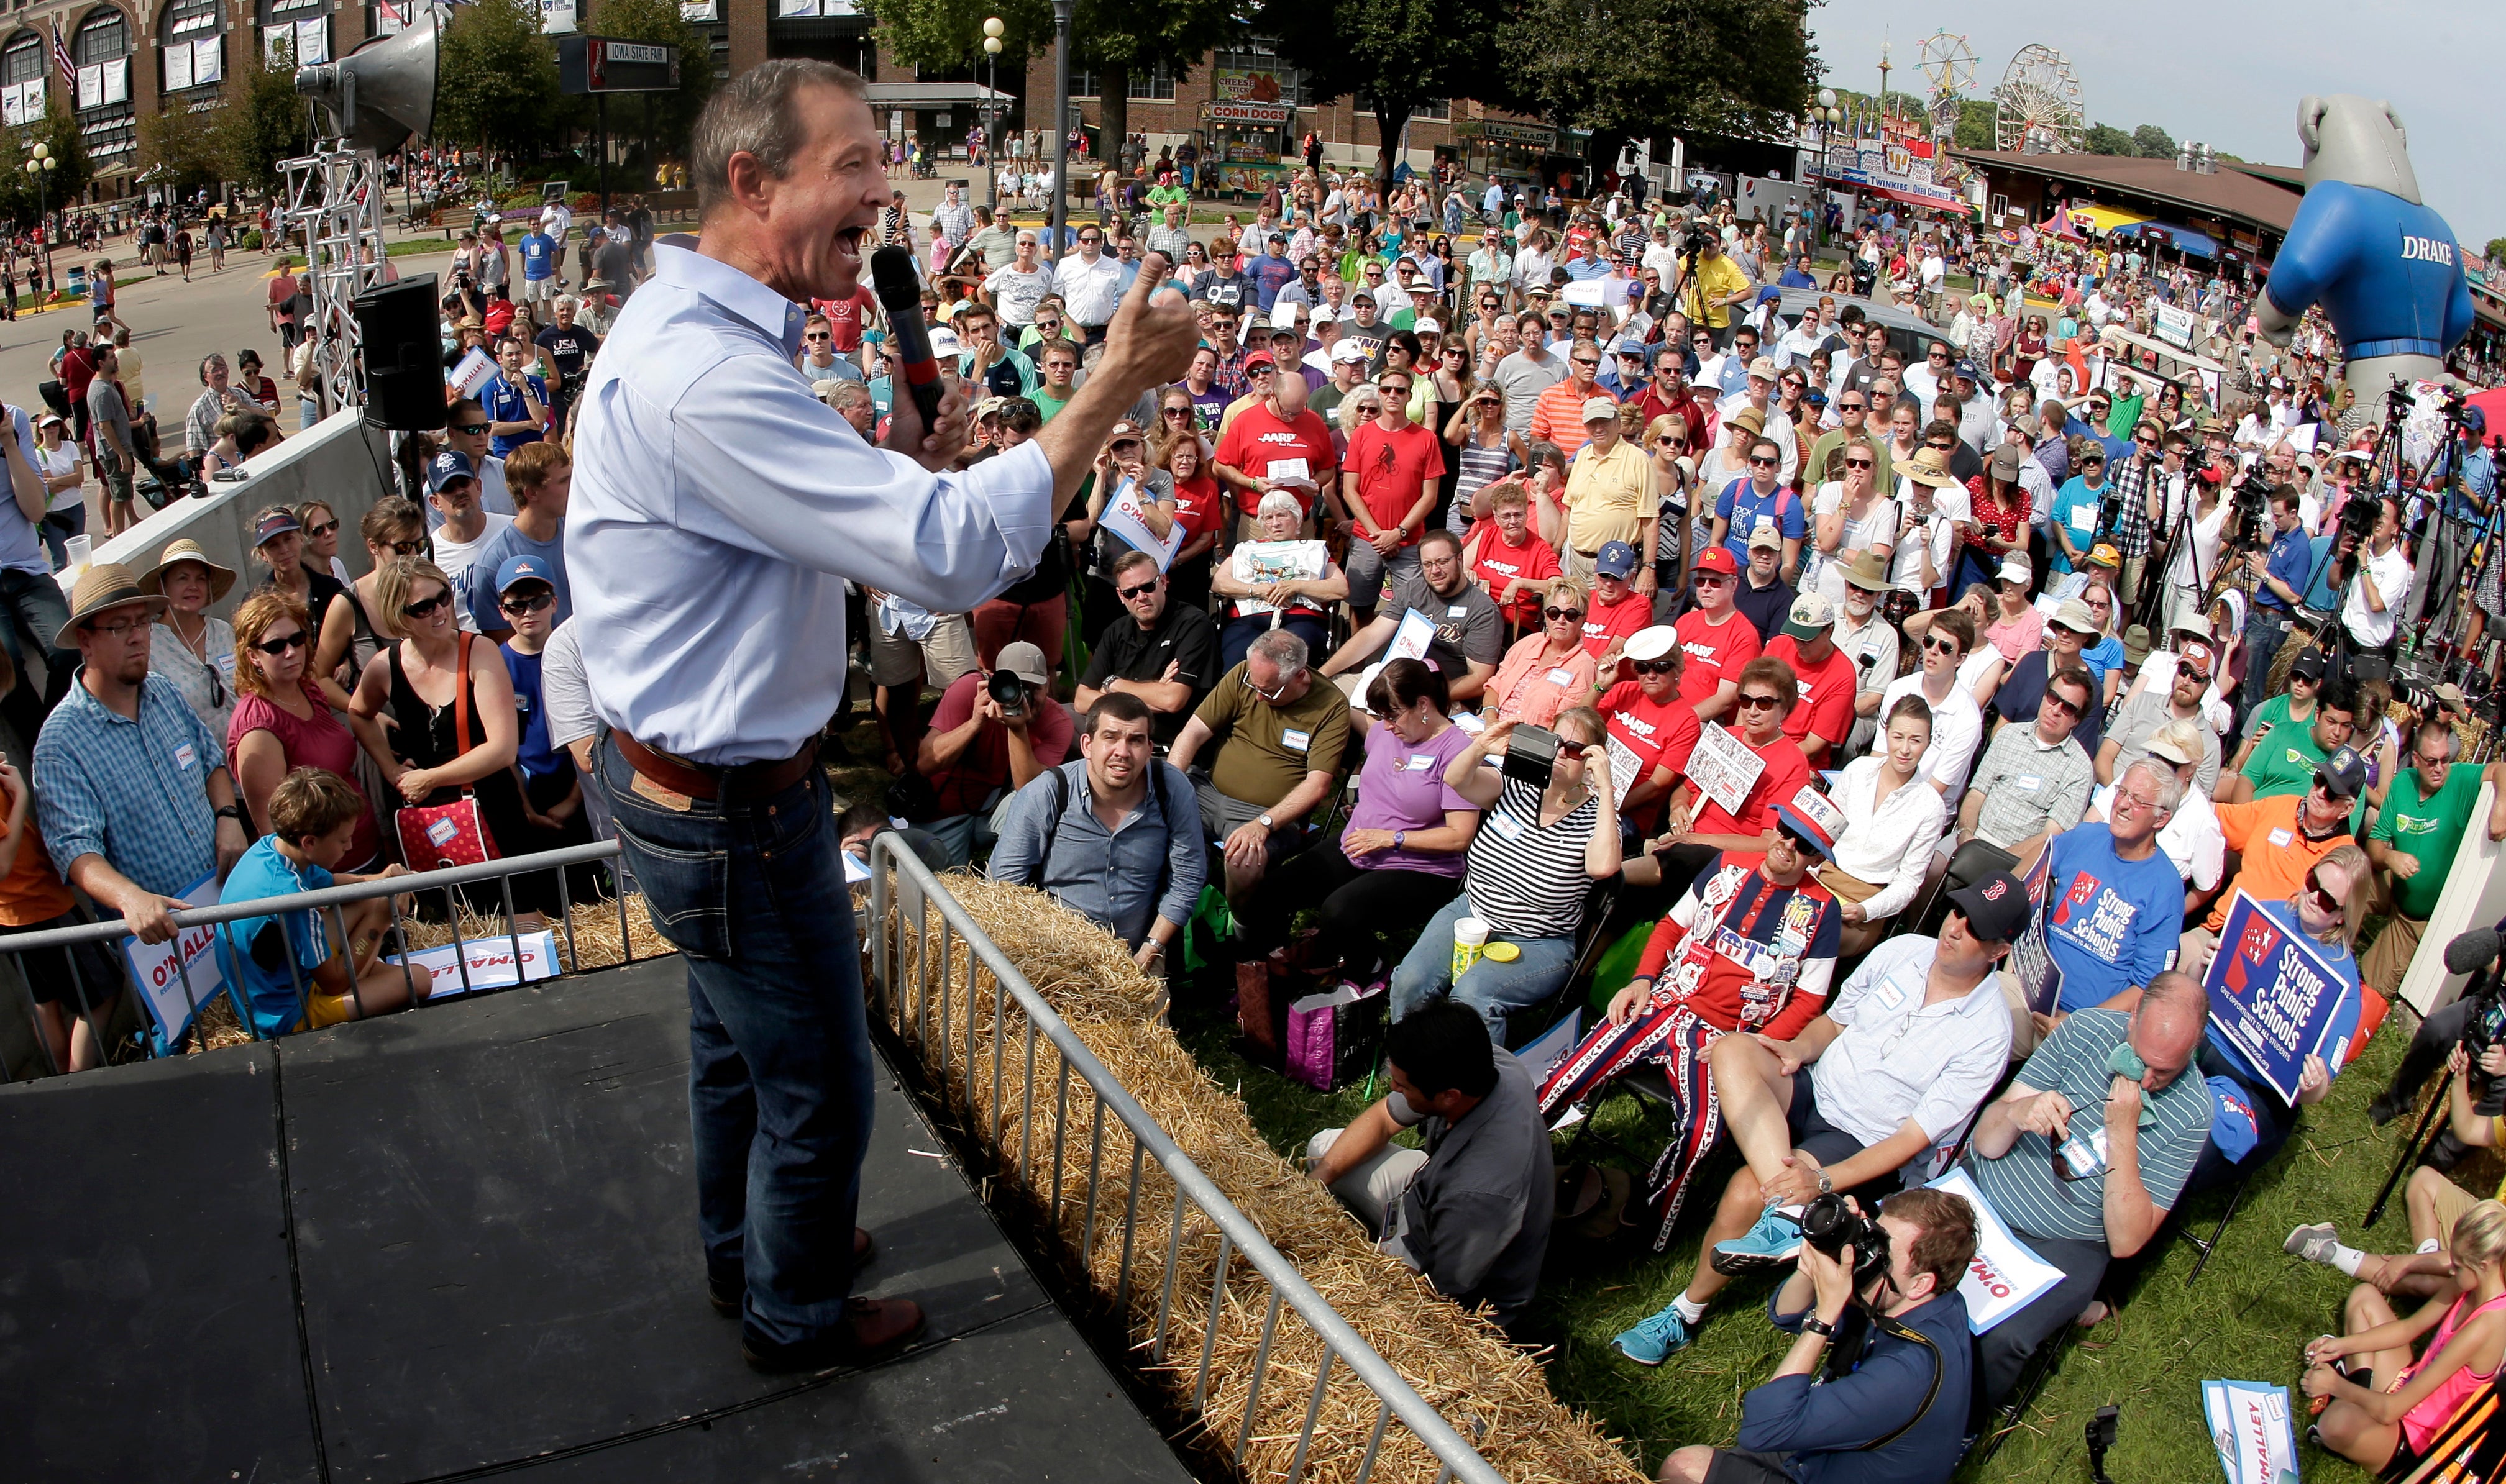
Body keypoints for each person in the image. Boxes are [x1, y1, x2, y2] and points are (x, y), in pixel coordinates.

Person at [1614, 876, 2019, 1373]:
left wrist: (1822, 1180)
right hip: (1815, 1084)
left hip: (1861, 1138)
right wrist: (1795, 1049)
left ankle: (1683, 1311)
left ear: (1999, 950)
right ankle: (1789, 1212)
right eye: (1958, 911)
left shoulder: (1988, 1033)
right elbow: (1835, 1022)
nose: (1955, 927)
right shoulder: (1904, 950)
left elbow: (1911, 1139)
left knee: (1746, 1192)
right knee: (1734, 1047)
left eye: (1976, 927)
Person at [1540, 790, 1842, 1249]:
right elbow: (1670, 927)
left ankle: (1641, 1221)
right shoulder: (1727, 865)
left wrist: (1749, 1049)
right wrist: (1642, 979)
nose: (1788, 846)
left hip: (1723, 1040)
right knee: (1567, 1075)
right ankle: (1505, 1149)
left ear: (1816, 857)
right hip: (1664, 1001)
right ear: (1775, 825)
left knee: (1702, 1136)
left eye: (1805, 845)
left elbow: (1808, 1002)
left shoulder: (1823, 910)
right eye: (1786, 831)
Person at [1964, 971, 2212, 1406]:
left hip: (2066, 1240)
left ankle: (1960, 1420)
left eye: (2164, 1071)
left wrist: (2123, 1134)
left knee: (2004, 1336)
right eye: (2141, 1059)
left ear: (2194, 1050)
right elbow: (1985, 1141)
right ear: (2132, 1017)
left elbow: (2126, 1240)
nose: (2147, 1078)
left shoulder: (2194, 1110)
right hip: (1990, 1187)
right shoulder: (2084, 1030)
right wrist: (2020, 1111)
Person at [1652, 1185, 1979, 1484]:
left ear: (1922, 1284)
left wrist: (1824, 1317)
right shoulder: (1926, 1300)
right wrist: (1811, 1263)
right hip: (1835, 1451)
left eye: (1881, 1252)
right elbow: (1786, 1315)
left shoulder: (1907, 1371)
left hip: (1829, 1470)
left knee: (1684, 1468)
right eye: (1872, 1235)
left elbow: (1764, 1428)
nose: (1867, 1254)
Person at [1302, 999, 1555, 1335]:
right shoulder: (1486, 1063)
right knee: (1323, 1150)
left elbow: (1439, 1291)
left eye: (1403, 1086)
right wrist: (1313, 1185)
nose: (1393, 1088)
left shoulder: (1479, 1194)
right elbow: (1383, 1119)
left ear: (1449, 1096)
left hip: (1453, 1277)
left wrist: (1350, 1271)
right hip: (1433, 1192)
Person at [32, 564, 249, 946]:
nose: (138, 637)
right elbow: (75, 849)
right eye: (119, 627)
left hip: (221, 903)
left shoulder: (163, 693)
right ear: (85, 641)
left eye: (142, 623)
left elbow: (210, 761)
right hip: (159, 943)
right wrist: (129, 897)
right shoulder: (60, 744)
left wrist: (228, 816)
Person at [1238, 659, 1482, 980]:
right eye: (1382, 716)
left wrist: (1390, 837)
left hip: (1418, 865)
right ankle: (1269, 969)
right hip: (1360, 845)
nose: (1387, 725)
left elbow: (1460, 836)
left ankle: (1372, 970)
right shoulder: (1383, 730)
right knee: (1273, 890)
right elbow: (1356, 723)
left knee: (1339, 911)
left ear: (1423, 704)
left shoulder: (1457, 752)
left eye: (1393, 715)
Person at [1389, 710, 1619, 1039]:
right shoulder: (1516, 785)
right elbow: (1456, 779)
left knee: (1472, 998)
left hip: (1539, 938)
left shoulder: (1598, 817)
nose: (1559, 754)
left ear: (1591, 760)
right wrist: (1482, 745)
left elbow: (1604, 867)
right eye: (1554, 743)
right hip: (1473, 912)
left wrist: (1607, 788)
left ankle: (1479, 1085)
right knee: (1410, 980)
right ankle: (1408, 1064)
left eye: (1573, 750)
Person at [345, 558, 544, 921]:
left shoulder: (478, 651)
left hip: (494, 811)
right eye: (423, 607)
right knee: (449, 930)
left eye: (443, 597)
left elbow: (502, 748)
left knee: (525, 926)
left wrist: (428, 778)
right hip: (430, 824)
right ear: (399, 615)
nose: (439, 611)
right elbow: (359, 713)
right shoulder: (385, 665)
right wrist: (390, 769)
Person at [987, 691, 1202, 968]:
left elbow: (1187, 877)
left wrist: (1152, 948)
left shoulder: (1172, 788)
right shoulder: (1048, 793)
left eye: (1135, 741)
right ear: (1087, 744)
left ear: (1150, 749)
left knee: (1146, 1012)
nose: (1122, 753)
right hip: (1053, 955)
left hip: (1139, 953)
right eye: (1110, 737)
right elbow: (1005, 884)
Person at [2301, 1199, 2506, 1475]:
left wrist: (2335, 1386)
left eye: (2457, 1265)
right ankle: (2358, 1389)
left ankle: (2352, 1392)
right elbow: (2408, 1329)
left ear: (2483, 1265)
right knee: (2364, 1299)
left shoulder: (2485, 1327)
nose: (2450, 1270)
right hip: (2405, 1385)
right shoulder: (2468, 1283)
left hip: (2416, 1437)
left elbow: (2392, 1411)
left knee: (2334, 1425)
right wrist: (2340, 1346)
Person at [216, 768, 421, 1037]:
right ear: (310, 842)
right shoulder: (293, 899)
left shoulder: (271, 847)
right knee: (418, 979)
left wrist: (382, 881)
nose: (349, 847)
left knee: (370, 900)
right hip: (287, 1015)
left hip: (269, 988)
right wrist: (381, 921)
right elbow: (334, 984)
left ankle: (365, 967)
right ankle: (366, 967)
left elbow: (328, 882)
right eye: (343, 840)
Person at [1169, 629, 1351, 906]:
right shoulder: (1245, 675)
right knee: (1145, 811)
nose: (1257, 698)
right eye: (1254, 687)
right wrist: (1170, 786)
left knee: (1244, 861)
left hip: (1265, 814)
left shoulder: (1331, 706)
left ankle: (1243, 933)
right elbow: (1192, 732)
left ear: (1300, 675)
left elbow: (1318, 785)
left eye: (1268, 690)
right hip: (1207, 791)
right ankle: (1173, 907)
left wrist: (1264, 824)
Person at [229, 590, 383, 873]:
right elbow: (273, 832)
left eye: (297, 640)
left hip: (365, 848)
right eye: (275, 646)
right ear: (252, 655)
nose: (291, 652)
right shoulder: (258, 727)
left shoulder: (309, 689)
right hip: (329, 875)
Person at [2185, 748, 2366, 977]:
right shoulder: (2282, 807)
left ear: (2347, 809)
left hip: (2272, 959)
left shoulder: (2342, 860)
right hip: (2217, 932)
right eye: (2319, 780)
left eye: (2332, 793)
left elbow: (2335, 929)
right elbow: (2213, 817)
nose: (2320, 793)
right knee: (2174, 957)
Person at [2365, 722, 2506, 996]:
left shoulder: (2460, 781)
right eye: (2432, 761)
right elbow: (2374, 843)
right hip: (2392, 883)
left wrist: (2501, 805)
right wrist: (2389, 857)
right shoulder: (2403, 783)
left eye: (2445, 760)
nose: (2440, 768)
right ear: (2416, 760)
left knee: (2372, 987)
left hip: (2416, 917)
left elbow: (2502, 768)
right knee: (2349, 875)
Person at [915, 640, 1074, 867]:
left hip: (993, 806)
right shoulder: (969, 690)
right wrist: (974, 723)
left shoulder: (1057, 722)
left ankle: (1011, 872)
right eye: (1017, 686)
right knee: (946, 888)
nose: (1023, 697)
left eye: (1034, 688)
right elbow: (925, 764)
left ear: (1048, 685)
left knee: (1043, 808)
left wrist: (1017, 729)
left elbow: (1032, 792)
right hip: (944, 810)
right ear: (995, 680)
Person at [1320, 528, 1504, 704]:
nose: (1435, 571)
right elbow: (1371, 636)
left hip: (1442, 697)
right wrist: (1323, 674)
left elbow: (1480, 680)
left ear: (1460, 559)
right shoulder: (1414, 590)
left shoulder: (1482, 610)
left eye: (1442, 562)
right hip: (1392, 683)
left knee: (1383, 722)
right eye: (1428, 564)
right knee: (1326, 696)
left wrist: (1422, 699)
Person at [1827, 696, 1949, 957]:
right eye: (1898, 737)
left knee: (1816, 934)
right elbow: (1825, 831)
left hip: (1866, 898)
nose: (1905, 749)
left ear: (1927, 743)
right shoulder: (1858, 770)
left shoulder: (1930, 806)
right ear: (1886, 734)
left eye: (1915, 740)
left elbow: (1908, 883)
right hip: (1824, 875)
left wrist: (1867, 911)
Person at [1954, 663, 2096, 877]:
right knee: (1929, 868)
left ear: (2076, 719)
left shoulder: (2080, 769)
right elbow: (1977, 793)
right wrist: (1966, 835)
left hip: (2017, 861)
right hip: (1971, 838)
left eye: (2068, 708)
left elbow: (2051, 837)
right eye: (2053, 698)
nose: (2056, 710)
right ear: (2043, 696)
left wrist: (1991, 858)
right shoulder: (2008, 735)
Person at [1072, 551, 1219, 747]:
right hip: (1113, 732)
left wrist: (1112, 685)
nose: (1141, 597)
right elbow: (1081, 700)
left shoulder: (1194, 625)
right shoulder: (1116, 630)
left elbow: (1172, 700)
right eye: (1131, 592)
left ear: (1164, 582)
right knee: (1055, 720)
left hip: (1165, 742)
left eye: (1148, 587)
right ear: (1121, 596)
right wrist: (1154, 691)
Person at [1877, 609, 1983, 801]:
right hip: (1882, 791)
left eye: (1945, 647)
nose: (1933, 651)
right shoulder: (1897, 690)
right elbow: (1878, 757)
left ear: (1960, 659)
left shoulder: (1968, 720)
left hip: (1925, 807)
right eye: (1929, 641)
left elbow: (1934, 791)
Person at [140, 538, 239, 742]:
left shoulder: (222, 631)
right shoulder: (149, 644)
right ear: (163, 587)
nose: (193, 586)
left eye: (200, 579)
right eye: (183, 579)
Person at [1482, 576, 1599, 729]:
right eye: (1554, 612)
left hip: (1527, 744)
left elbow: (1562, 725)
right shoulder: (1529, 643)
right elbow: (1495, 686)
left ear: (1583, 619)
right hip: (1488, 726)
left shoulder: (1584, 666)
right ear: (1545, 615)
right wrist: (1491, 720)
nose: (1561, 620)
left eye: (1570, 615)